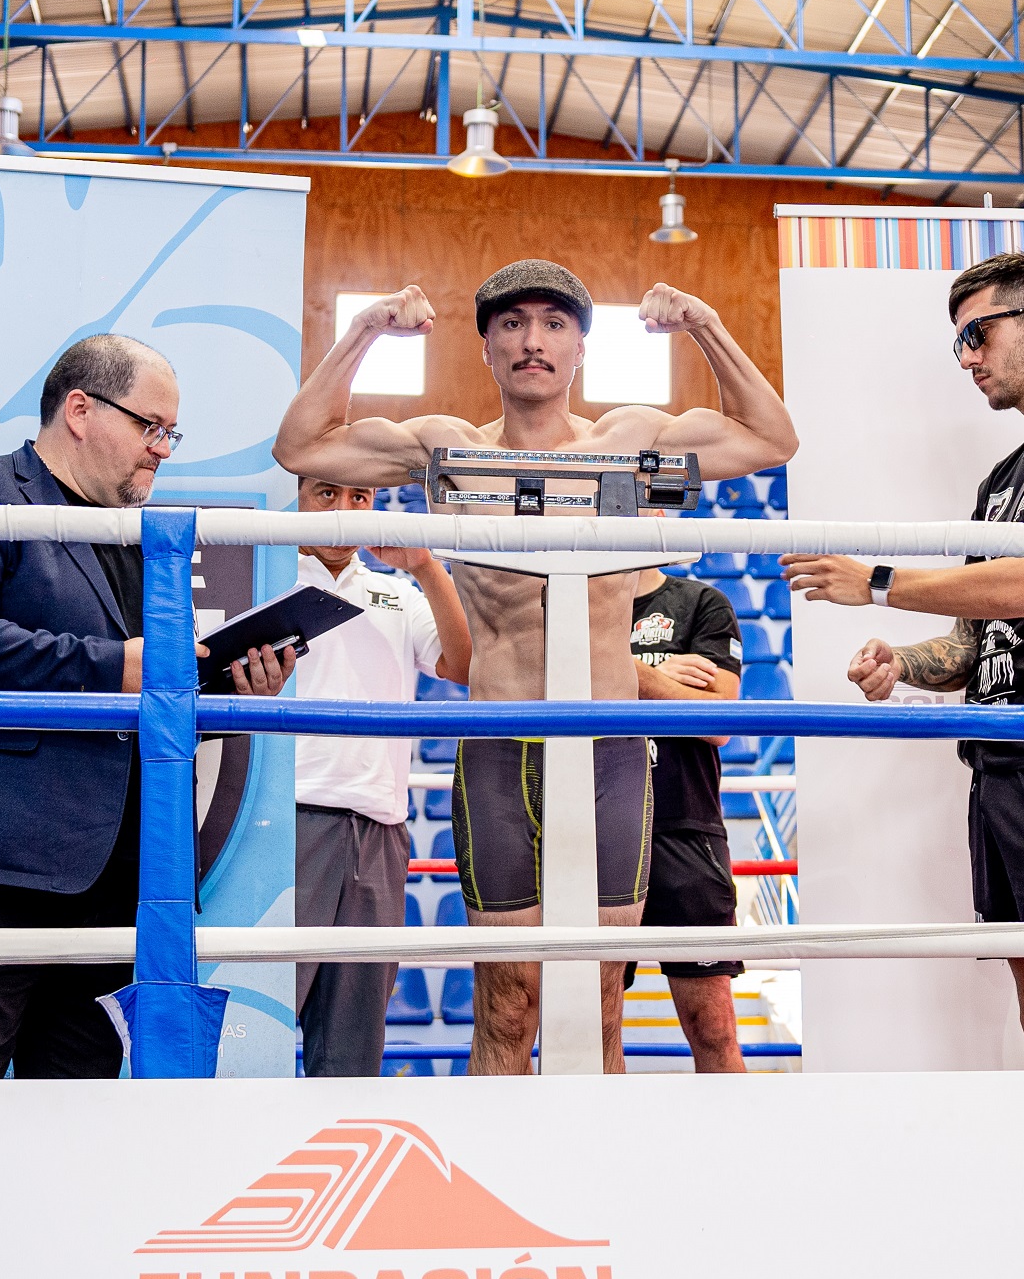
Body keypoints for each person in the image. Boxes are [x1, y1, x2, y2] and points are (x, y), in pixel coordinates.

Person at [274, 260, 798, 1075]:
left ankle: (588, 1195)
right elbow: (300, 446)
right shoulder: (446, 450)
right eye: (512, 324)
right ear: (485, 347)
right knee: (508, 1005)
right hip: (500, 748)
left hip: (608, 751)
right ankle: (499, 1192)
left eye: (554, 324)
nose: (532, 340)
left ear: (581, 347)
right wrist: (366, 329)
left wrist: (703, 322)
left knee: (598, 1007)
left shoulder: (629, 442)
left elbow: (771, 437)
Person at [779, 251, 1024, 1070]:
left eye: (977, 334)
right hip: (1000, 763)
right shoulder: (1004, 479)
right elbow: (975, 638)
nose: (966, 358)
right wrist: (904, 661)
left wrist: (879, 582)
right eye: (958, 342)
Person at [0, 334, 291, 1080]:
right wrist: (115, 662)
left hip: (113, 876)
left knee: (80, 1103)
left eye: (171, 432)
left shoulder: (135, 537)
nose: (163, 449)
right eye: (152, 426)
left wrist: (236, 684)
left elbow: (156, 693)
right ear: (79, 409)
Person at [291, 474, 472, 1077]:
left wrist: (425, 566)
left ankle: (327, 1169)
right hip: (285, 822)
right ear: (293, 495)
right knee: (256, 1016)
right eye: (325, 493)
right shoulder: (265, 577)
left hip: (380, 829)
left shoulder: (398, 593)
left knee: (352, 1045)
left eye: (359, 497)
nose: (344, 511)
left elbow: (463, 664)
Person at [628, 555, 746, 1073]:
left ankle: (744, 1154)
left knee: (713, 1031)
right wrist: (656, 671)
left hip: (684, 828)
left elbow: (717, 719)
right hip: (594, 831)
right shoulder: (570, 603)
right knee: (590, 1022)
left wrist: (622, 673)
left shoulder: (702, 603)